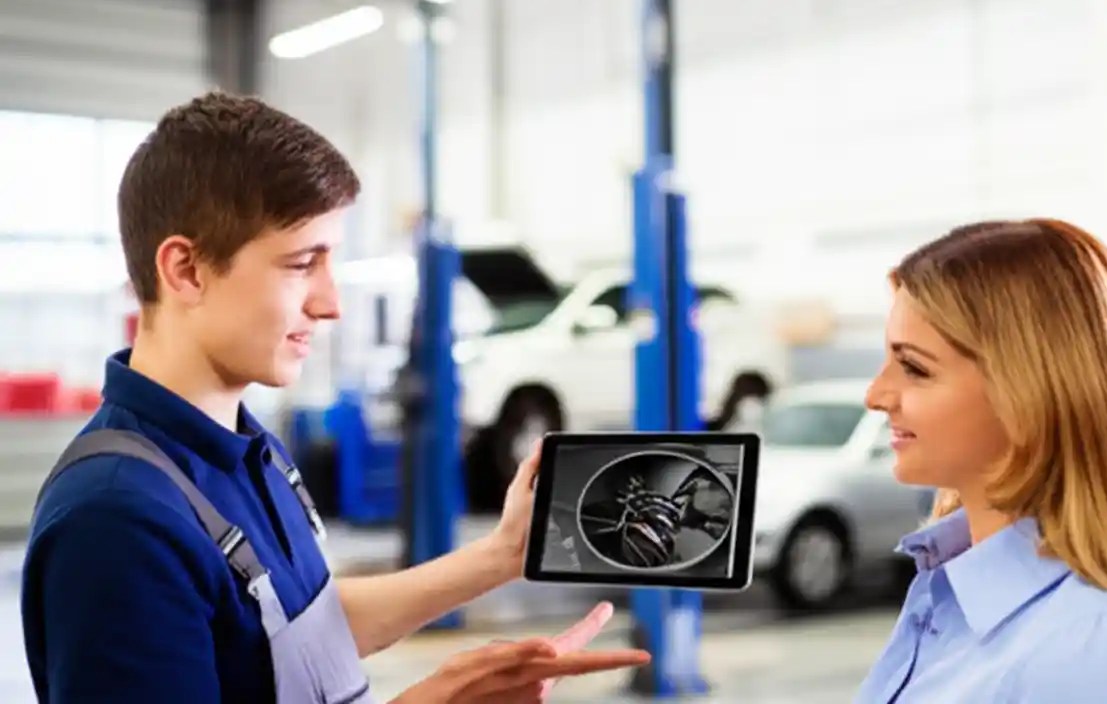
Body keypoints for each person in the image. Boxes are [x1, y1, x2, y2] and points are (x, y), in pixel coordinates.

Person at [20, 92, 648, 704]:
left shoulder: (246, 452)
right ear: (186, 270)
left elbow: (301, 629)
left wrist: (500, 556)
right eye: (300, 265)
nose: (330, 303)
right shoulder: (118, 522)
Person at [855, 219, 1107, 703]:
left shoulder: (1095, 655)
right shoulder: (952, 598)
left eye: (914, 367)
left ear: (1029, 392)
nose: (875, 395)